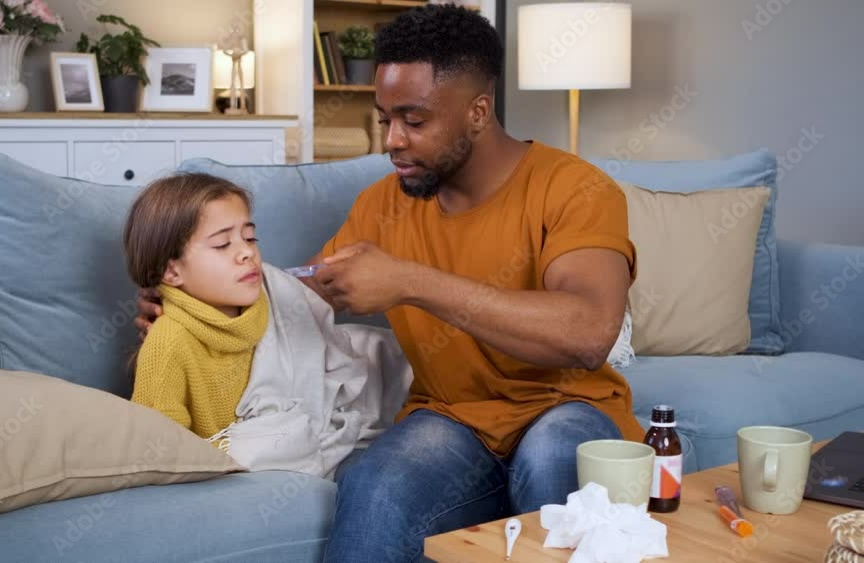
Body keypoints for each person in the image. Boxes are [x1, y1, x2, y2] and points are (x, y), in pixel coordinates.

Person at [135, 5, 644, 561]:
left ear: (478, 112)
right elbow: (291, 300)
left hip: (567, 407)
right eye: (384, 120)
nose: (392, 141)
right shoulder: (382, 205)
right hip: (450, 419)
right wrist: (189, 308)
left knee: (552, 463)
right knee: (375, 489)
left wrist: (411, 282)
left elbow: (589, 333)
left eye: (414, 121)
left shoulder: (576, 190)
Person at [123, 173, 266, 442]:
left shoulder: (275, 304)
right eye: (222, 244)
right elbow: (159, 446)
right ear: (172, 272)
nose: (247, 252)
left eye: (249, 238)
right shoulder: (167, 344)